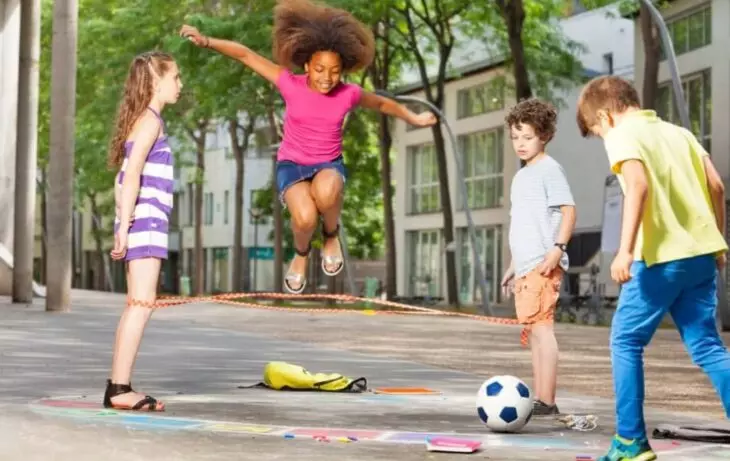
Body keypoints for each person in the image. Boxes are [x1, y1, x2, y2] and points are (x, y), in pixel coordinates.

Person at [179, 0, 437, 293]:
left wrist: (412, 117)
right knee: (304, 218)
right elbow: (246, 55)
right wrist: (206, 40)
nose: (327, 78)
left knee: (326, 193)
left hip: (328, 164)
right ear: (306, 66)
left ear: (343, 71)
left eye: (335, 71)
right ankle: (300, 255)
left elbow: (380, 102)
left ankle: (331, 235)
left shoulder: (348, 93)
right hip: (292, 166)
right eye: (319, 69)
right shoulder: (289, 83)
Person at [577, 75, 730, 461]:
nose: (600, 137)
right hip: (701, 256)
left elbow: (638, 185)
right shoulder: (680, 134)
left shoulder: (623, 134)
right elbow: (717, 186)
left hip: (659, 258)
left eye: (595, 129)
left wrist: (625, 251)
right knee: (708, 347)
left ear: (606, 115)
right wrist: (718, 240)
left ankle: (630, 441)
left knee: (625, 341)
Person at [106, 51, 182, 411]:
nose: (180, 85)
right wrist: (124, 226)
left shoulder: (143, 120)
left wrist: (122, 223)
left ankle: (117, 386)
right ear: (157, 82)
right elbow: (132, 174)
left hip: (143, 220)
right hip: (147, 220)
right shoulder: (150, 121)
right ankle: (120, 389)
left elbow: (121, 181)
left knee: (136, 305)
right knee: (141, 304)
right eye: (176, 77)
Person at [500, 98, 576, 417]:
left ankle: (548, 399)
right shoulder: (522, 177)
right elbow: (523, 226)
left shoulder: (549, 169)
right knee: (534, 332)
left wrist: (557, 249)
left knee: (544, 330)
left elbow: (569, 211)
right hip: (526, 267)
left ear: (543, 135)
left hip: (544, 264)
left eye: (527, 137)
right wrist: (513, 266)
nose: (520, 144)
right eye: (515, 137)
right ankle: (540, 396)